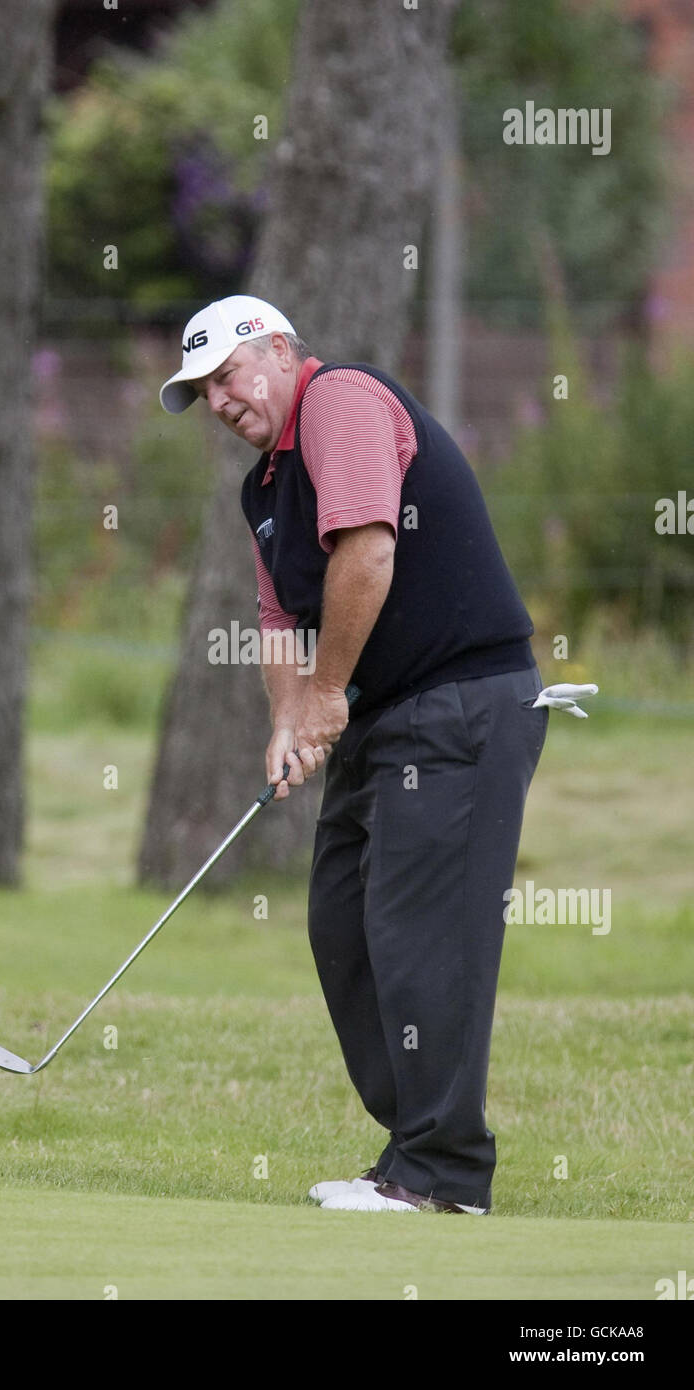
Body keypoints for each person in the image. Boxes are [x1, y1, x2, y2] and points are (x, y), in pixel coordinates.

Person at [160, 295, 548, 1215]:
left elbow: (367, 552)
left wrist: (327, 694)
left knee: (424, 931)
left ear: (281, 349)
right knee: (344, 924)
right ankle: (414, 1144)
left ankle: (444, 1174)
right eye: (202, 391)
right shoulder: (261, 489)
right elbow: (275, 620)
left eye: (227, 375)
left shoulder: (342, 402)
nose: (219, 401)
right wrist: (289, 719)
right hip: (387, 720)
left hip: (461, 702)